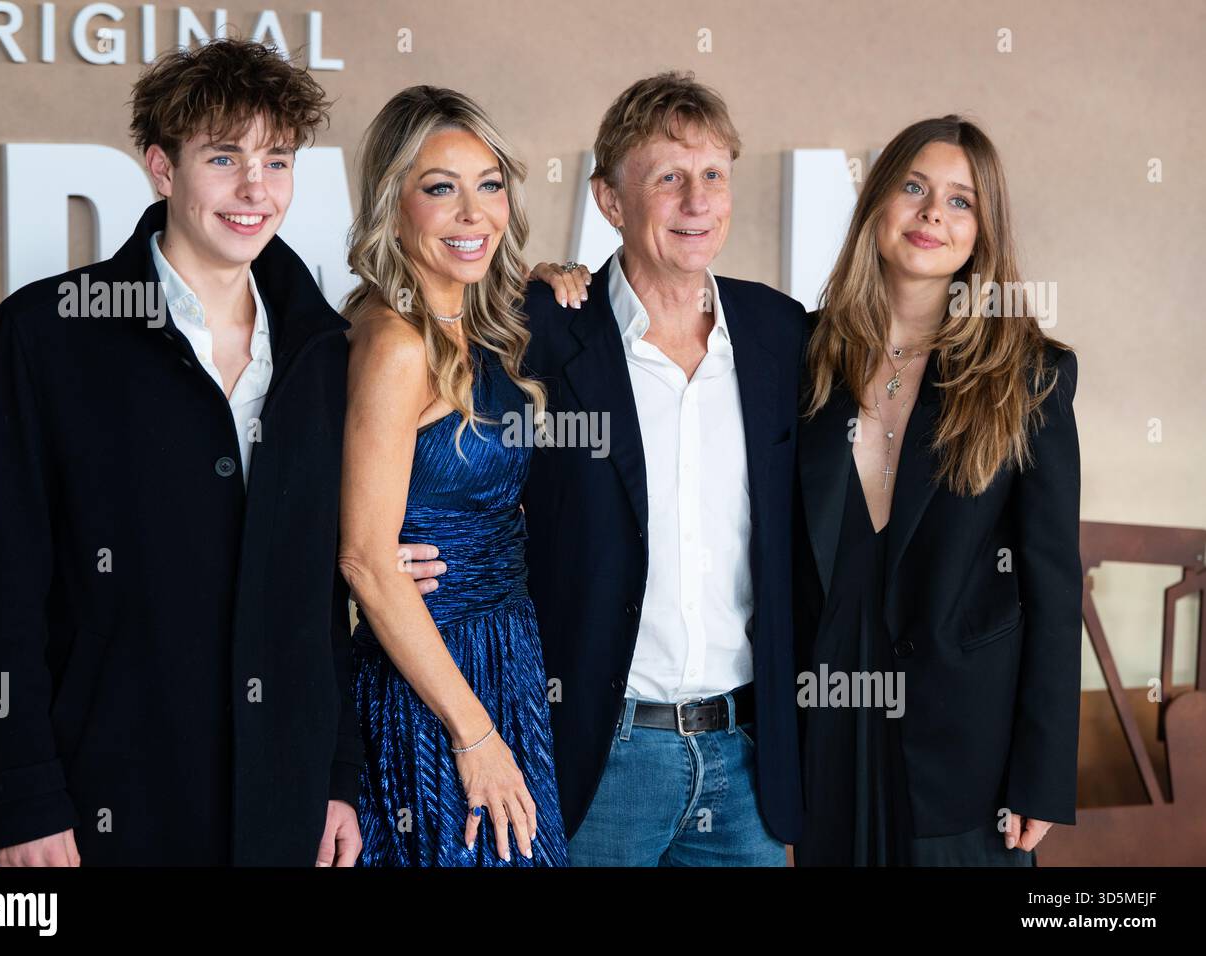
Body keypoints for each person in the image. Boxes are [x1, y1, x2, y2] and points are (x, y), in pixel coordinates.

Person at [0, 38, 437, 867]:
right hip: (105, 797)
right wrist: (22, 797)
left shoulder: (323, 347)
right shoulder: (48, 335)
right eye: (224, 157)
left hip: (284, 804)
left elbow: (316, 602)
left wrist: (337, 777)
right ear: (161, 168)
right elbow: (2, 588)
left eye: (277, 161)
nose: (256, 189)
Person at [519, 71, 805, 865]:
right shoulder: (540, 329)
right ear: (610, 200)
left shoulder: (781, 335)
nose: (697, 201)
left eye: (713, 175)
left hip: (745, 763)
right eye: (668, 178)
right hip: (600, 761)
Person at [792, 115, 1081, 866]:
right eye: (914, 188)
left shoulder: (1029, 374)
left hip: (968, 760)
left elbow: (1052, 583)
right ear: (878, 203)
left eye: (961, 201)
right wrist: (564, 285)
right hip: (826, 738)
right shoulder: (799, 355)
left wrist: (1041, 777)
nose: (932, 214)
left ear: (983, 231)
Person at [338, 86, 567, 866]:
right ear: (392, 205)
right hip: (435, 685)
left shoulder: (481, 322)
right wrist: (473, 737)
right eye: (441, 188)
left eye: (490, 184)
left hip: (505, 657)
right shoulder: (396, 345)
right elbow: (367, 560)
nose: (474, 214)